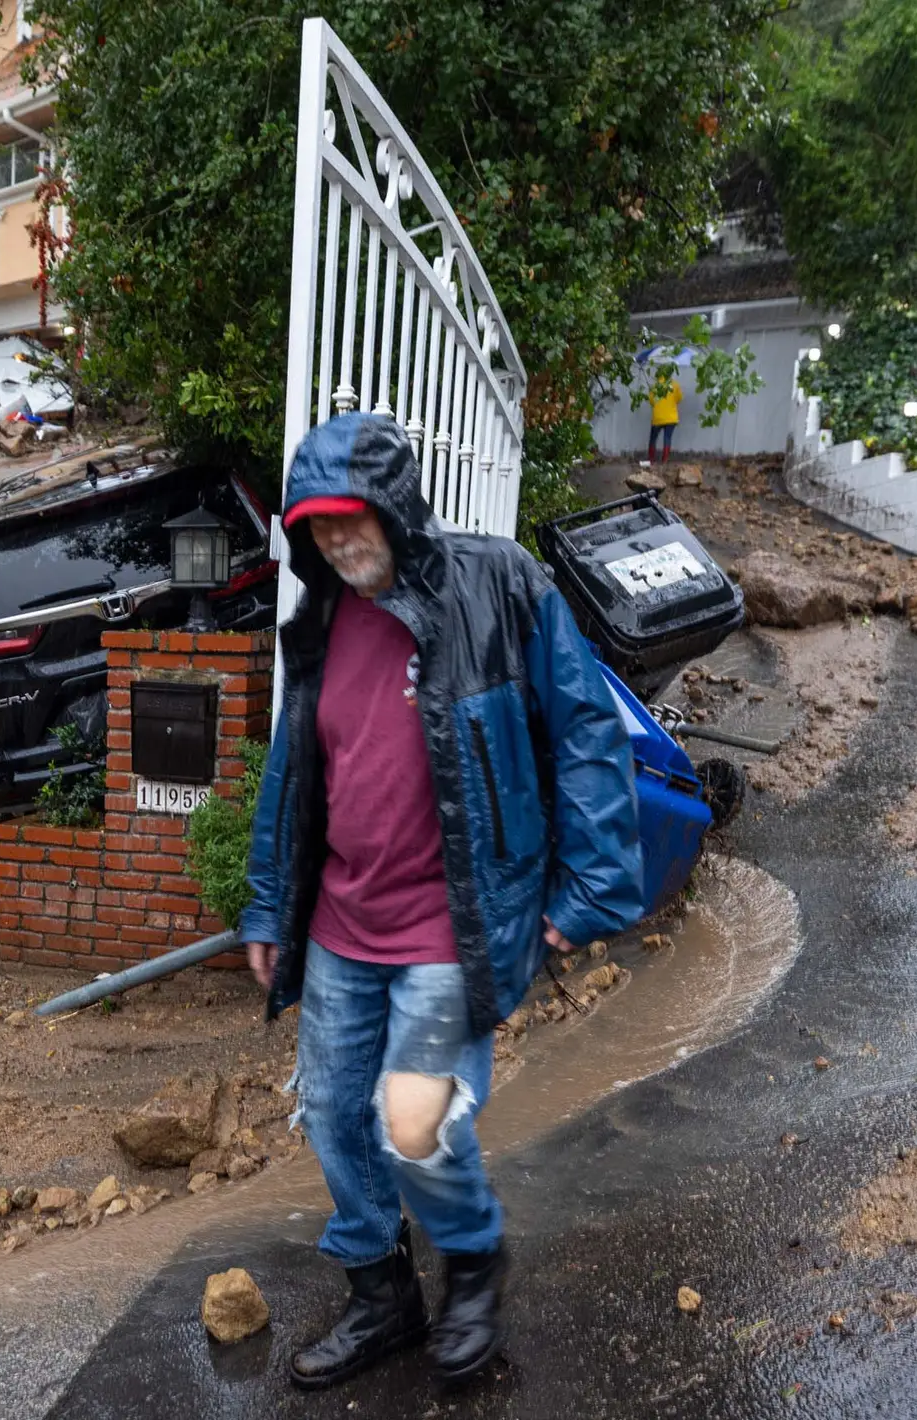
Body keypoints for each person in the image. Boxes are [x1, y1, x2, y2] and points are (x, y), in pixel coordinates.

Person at [239, 412, 644, 1389]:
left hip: (450, 922)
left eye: (351, 519)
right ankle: (381, 1295)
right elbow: (291, 770)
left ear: (394, 508)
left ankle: (470, 1263)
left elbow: (584, 726)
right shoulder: (322, 616)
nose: (335, 540)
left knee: (411, 1123)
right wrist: (264, 900)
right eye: (315, 526)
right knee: (334, 1114)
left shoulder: (496, 582)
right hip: (342, 922)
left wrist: (590, 882)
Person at [644, 368, 682, 465]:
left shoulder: (655, 386)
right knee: (667, 438)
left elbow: (652, 401)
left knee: (653, 438)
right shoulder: (675, 385)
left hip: (658, 417)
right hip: (671, 417)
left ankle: (651, 460)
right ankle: (664, 460)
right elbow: (679, 399)